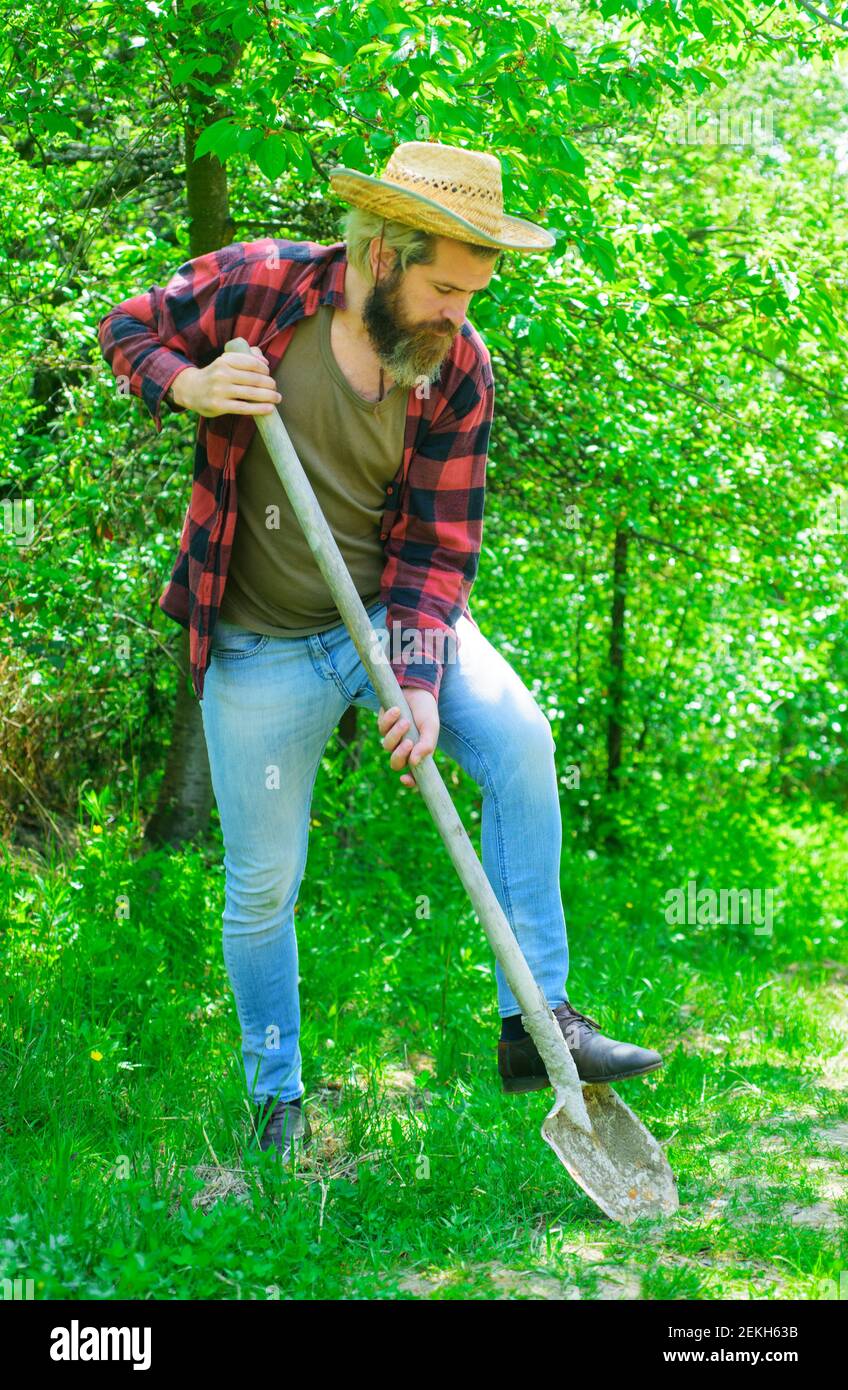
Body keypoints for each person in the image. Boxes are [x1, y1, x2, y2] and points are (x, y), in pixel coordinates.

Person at [98, 140, 663, 1162]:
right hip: (259, 644)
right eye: (444, 287)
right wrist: (190, 386)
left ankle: (536, 1026)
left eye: (472, 291)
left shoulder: (456, 369)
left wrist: (412, 678)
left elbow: (435, 546)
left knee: (520, 742)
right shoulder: (259, 284)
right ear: (376, 251)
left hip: (386, 615)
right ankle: (276, 1097)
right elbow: (129, 329)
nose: (459, 314)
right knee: (263, 883)